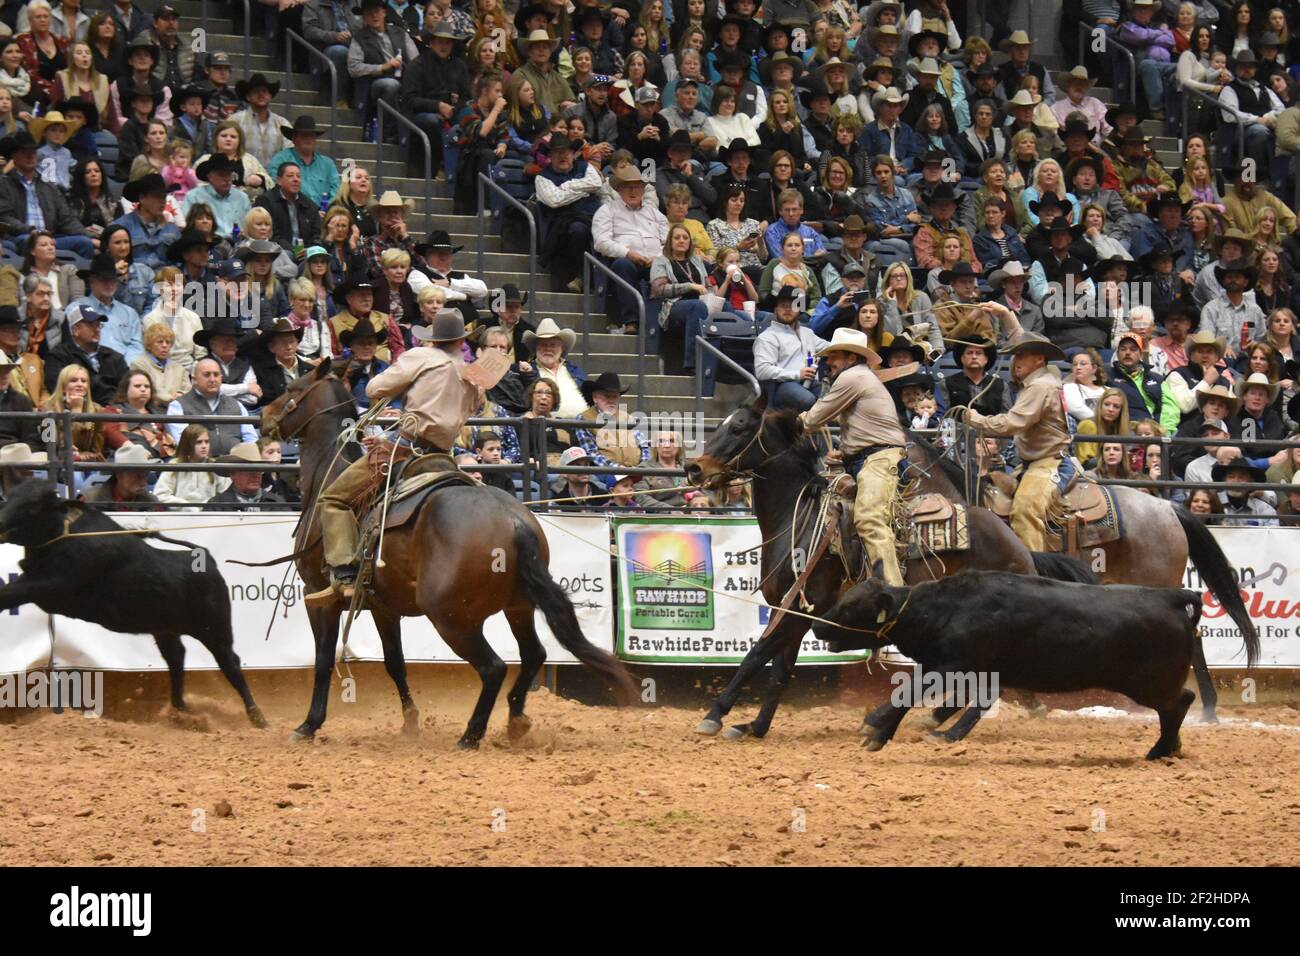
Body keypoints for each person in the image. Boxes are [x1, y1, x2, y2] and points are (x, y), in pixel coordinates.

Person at [309, 309, 486, 603]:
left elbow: (377, 388)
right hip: (444, 454)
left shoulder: (421, 356)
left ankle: (345, 573)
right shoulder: (473, 374)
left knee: (333, 499)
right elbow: (472, 408)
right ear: (460, 341)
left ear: (434, 339)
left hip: (405, 447)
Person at [958, 302, 1073, 551]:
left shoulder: (1040, 386)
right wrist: (1005, 315)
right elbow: (1022, 340)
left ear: (1038, 358)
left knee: (1024, 512)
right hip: (1034, 461)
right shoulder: (1042, 376)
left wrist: (976, 420)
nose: (1015, 359)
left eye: (1021, 355)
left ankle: (1034, 576)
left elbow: (1012, 423)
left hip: (1047, 463)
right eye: (1015, 354)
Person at [793, 326, 904, 583]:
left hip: (878, 460)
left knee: (869, 519)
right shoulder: (861, 376)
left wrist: (791, 422)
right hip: (865, 459)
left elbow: (814, 419)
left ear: (851, 358)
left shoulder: (852, 377)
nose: (828, 362)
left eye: (834, 357)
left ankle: (894, 593)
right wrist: (844, 453)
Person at [164, 355, 257, 454]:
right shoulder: (178, 406)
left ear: (221, 379)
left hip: (235, 464)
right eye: (207, 375)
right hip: (198, 465)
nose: (212, 379)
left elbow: (251, 439)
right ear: (194, 380)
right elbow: (182, 443)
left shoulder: (236, 405)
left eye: (216, 375)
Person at [266, 116, 339, 209]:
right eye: (304, 135)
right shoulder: (280, 160)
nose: (308, 138)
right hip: (291, 211)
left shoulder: (328, 164)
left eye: (311, 135)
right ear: (294, 138)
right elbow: (275, 189)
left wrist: (324, 209)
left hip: (324, 214)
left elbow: (336, 192)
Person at [230, 71, 290, 170]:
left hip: (274, 179)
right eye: (256, 91)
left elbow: (289, 154)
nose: (261, 94)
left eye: (264, 91)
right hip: (243, 179)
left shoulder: (282, 124)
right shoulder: (235, 121)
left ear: (270, 96)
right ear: (248, 97)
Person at [207, 441, 286, 511]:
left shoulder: (278, 503)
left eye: (259, 469)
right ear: (233, 473)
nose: (255, 475)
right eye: (249, 470)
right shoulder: (215, 506)